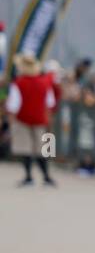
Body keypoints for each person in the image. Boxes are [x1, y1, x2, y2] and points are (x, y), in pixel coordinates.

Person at [5, 53, 57, 187]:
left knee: (25, 148)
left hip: (22, 119)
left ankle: (29, 177)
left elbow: (13, 106)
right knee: (43, 150)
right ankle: (46, 177)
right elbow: (49, 104)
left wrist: (11, 123)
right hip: (40, 119)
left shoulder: (18, 83)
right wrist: (48, 121)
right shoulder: (45, 83)